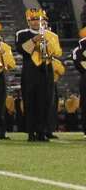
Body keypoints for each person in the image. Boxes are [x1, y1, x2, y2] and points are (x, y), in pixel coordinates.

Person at [16, 8, 62, 142]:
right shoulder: (22, 34)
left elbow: (58, 52)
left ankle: (42, 131)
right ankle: (31, 132)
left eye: (39, 19)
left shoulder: (52, 35)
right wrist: (35, 40)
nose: (36, 22)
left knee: (45, 102)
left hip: (46, 70)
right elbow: (21, 50)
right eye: (33, 20)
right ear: (28, 21)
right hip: (30, 70)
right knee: (30, 102)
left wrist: (48, 44)